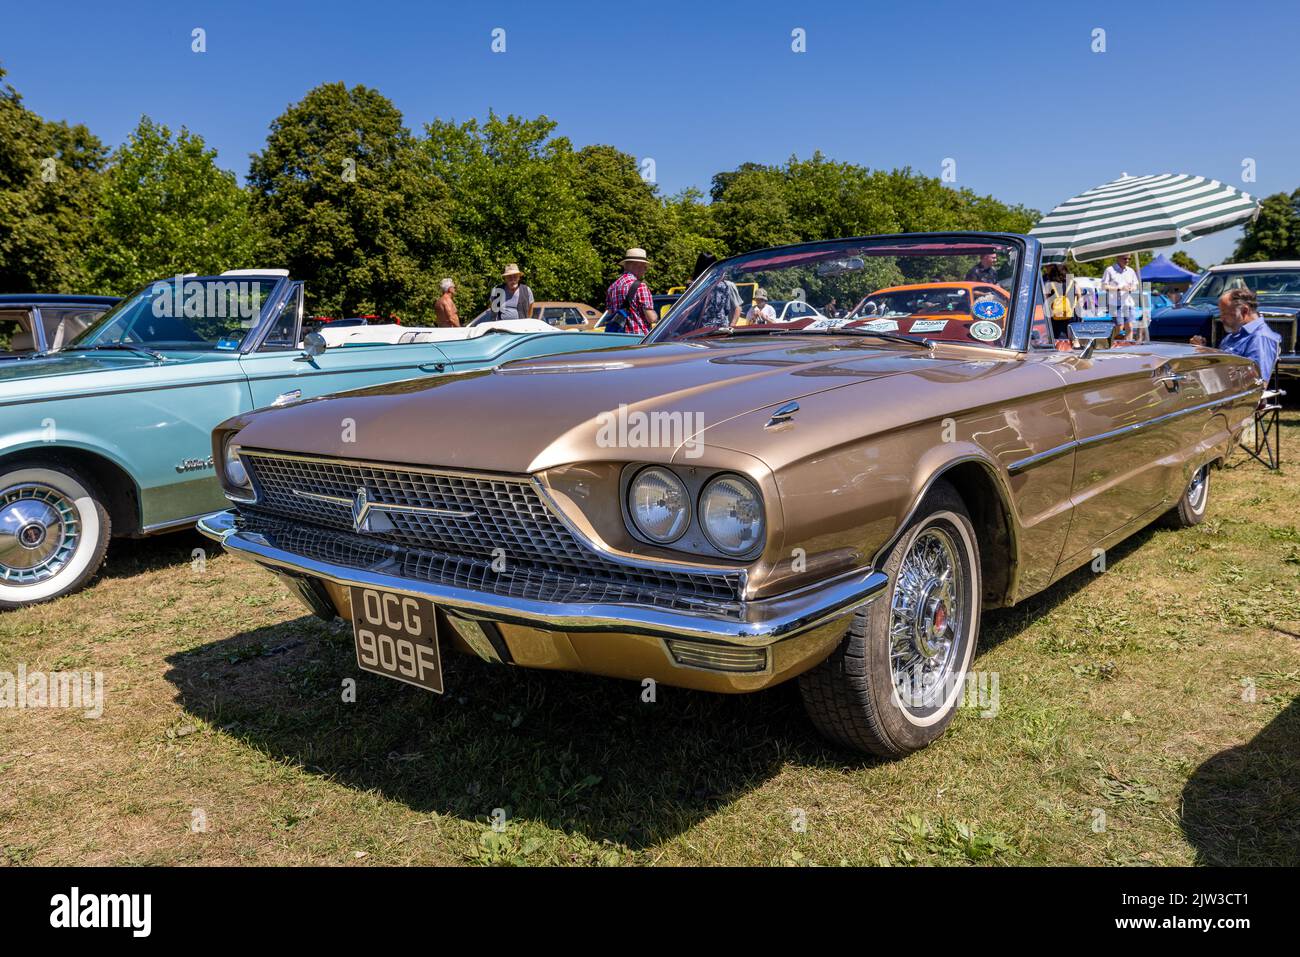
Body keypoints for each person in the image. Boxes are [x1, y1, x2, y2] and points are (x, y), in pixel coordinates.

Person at [1192, 288, 1281, 383]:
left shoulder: (1260, 338)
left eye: (1225, 313)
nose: (1221, 319)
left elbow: (1257, 383)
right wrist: (1204, 352)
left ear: (1244, 311)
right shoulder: (1233, 336)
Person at [604, 248, 657, 335]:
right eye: (645, 267)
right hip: (637, 337)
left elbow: (610, 313)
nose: (645, 271)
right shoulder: (640, 286)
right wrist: (657, 317)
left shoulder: (612, 287)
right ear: (638, 265)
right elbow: (651, 318)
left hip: (617, 336)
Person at [1102, 253, 1139, 338]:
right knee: (1119, 327)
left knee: (1129, 327)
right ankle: (1107, 340)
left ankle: (1129, 347)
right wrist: (1119, 288)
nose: (1127, 261)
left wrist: (1132, 288)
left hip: (1128, 303)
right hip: (1115, 304)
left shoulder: (1131, 271)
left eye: (1129, 259)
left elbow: (1135, 285)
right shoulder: (1110, 270)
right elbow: (1104, 286)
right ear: (1118, 258)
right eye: (1125, 258)